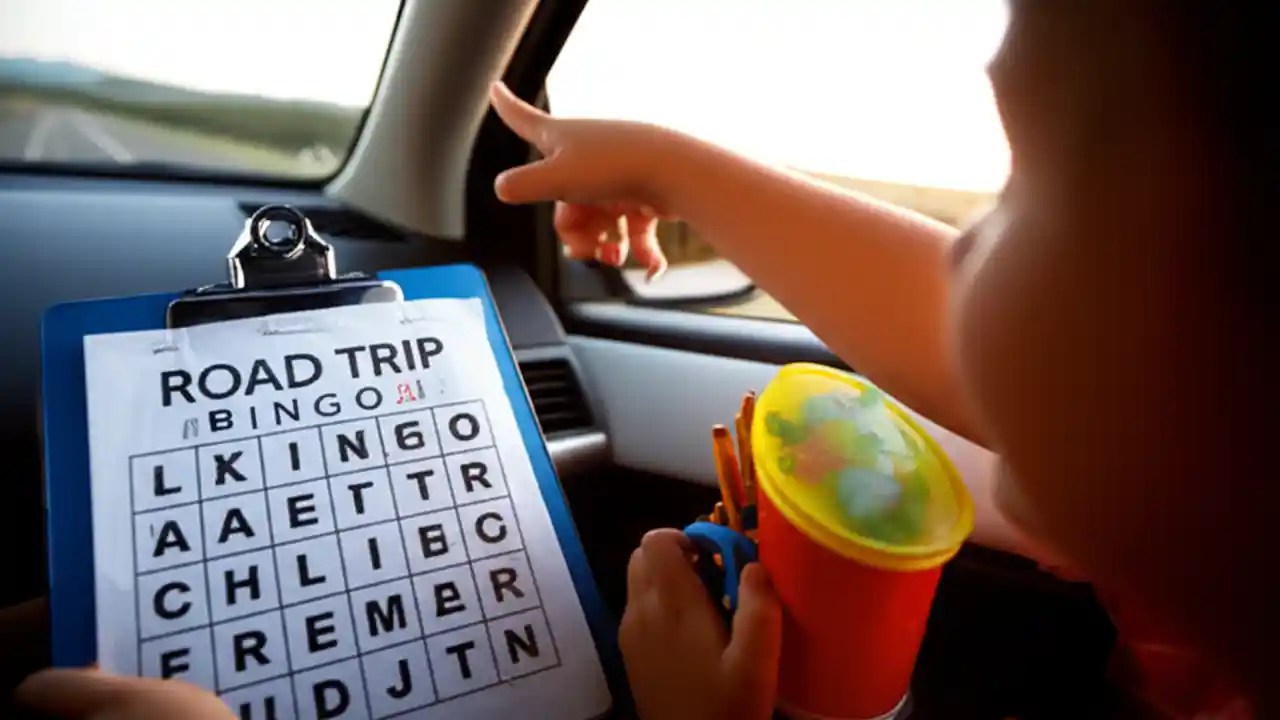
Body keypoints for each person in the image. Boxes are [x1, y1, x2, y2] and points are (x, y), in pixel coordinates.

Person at [13, 1, 1274, 718]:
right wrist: (672, 169)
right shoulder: (1208, 530)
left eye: (1018, 186)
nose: (964, 251)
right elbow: (982, 326)